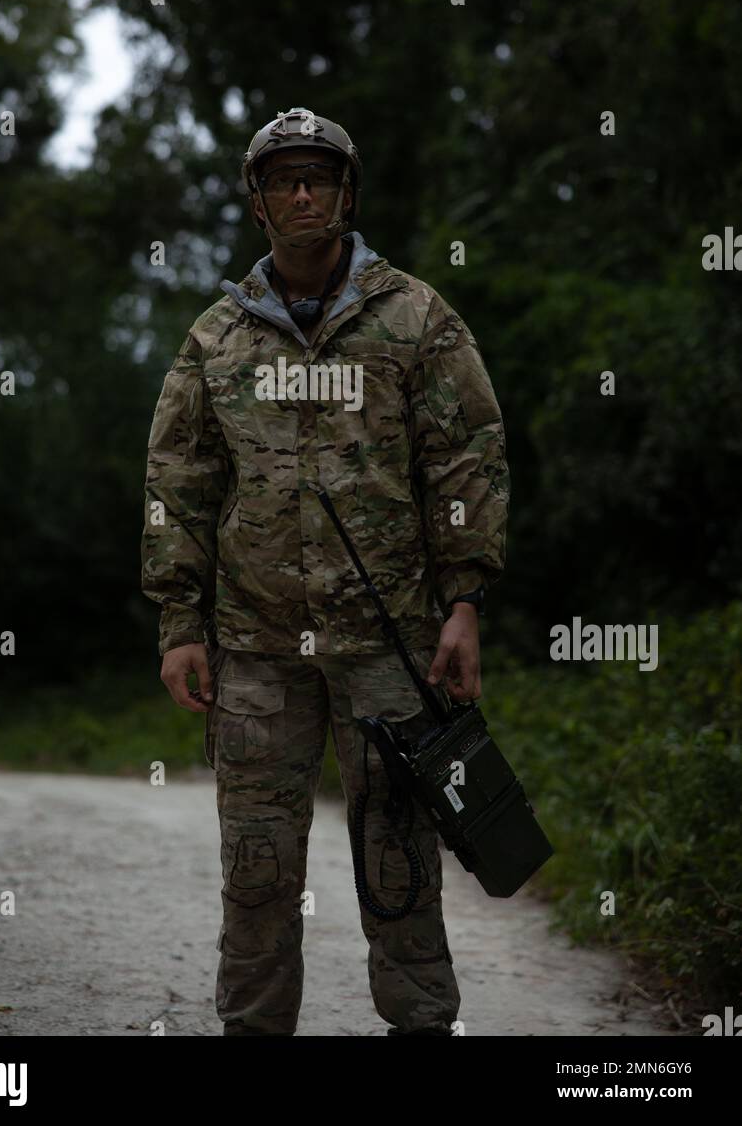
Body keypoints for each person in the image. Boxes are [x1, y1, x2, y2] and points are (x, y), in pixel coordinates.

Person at [141, 105, 510, 1036]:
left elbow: (465, 460)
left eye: (318, 177)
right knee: (257, 869)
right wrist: (181, 624)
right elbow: (176, 485)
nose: (301, 192)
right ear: (258, 203)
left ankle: (421, 1026)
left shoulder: (415, 318)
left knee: (401, 858)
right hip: (256, 648)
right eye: (281, 179)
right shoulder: (217, 340)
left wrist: (464, 603)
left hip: (391, 645)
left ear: (347, 193)